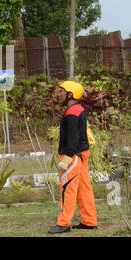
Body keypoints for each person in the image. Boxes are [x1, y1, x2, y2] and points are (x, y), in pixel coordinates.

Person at [49, 79, 97, 234]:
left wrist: (68, 157)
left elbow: (73, 138)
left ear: (70, 95)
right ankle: (89, 221)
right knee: (84, 188)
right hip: (82, 153)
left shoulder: (71, 114)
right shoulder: (80, 110)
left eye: (62, 92)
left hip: (73, 155)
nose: (59, 94)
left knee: (67, 188)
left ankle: (63, 223)